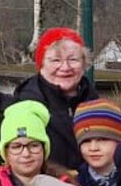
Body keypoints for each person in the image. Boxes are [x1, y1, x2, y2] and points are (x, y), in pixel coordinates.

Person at [12, 28, 102, 172]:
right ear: (41, 64)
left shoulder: (97, 105)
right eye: (55, 60)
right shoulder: (25, 106)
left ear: (84, 63)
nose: (65, 67)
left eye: (73, 59)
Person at [70, 99, 121, 186]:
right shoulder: (74, 183)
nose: (93, 148)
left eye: (102, 139)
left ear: (119, 141)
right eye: (86, 141)